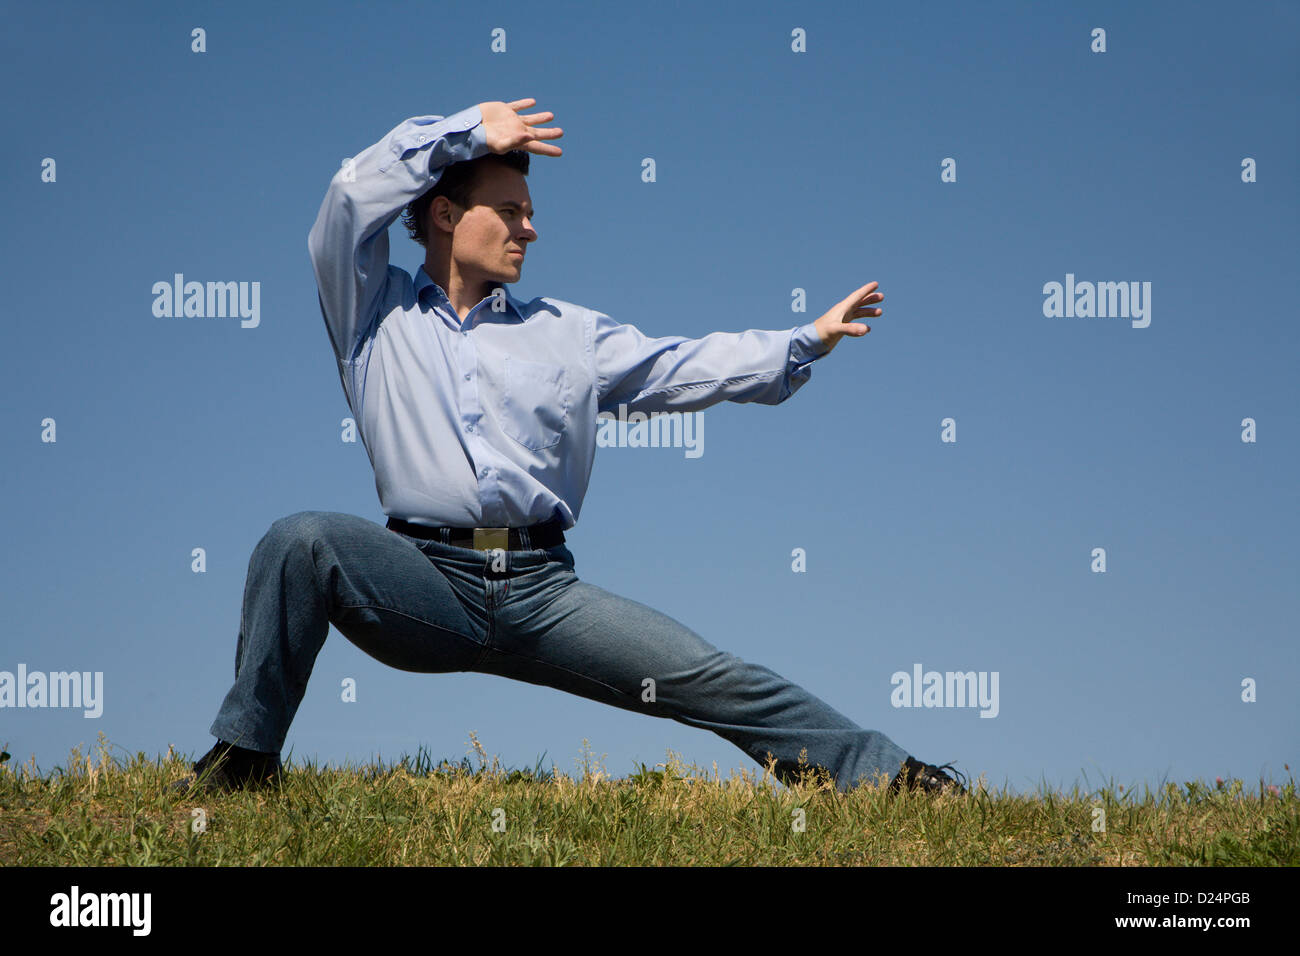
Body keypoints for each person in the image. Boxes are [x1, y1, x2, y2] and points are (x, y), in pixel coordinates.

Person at [178, 97, 967, 798]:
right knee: (300, 541)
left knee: (711, 676)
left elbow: (678, 367)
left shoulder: (566, 333)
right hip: (421, 583)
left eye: (530, 211)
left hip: (542, 591)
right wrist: (462, 129)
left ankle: (889, 777)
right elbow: (348, 201)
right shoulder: (372, 315)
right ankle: (246, 760)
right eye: (511, 210)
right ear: (447, 215)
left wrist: (802, 341)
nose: (531, 227)